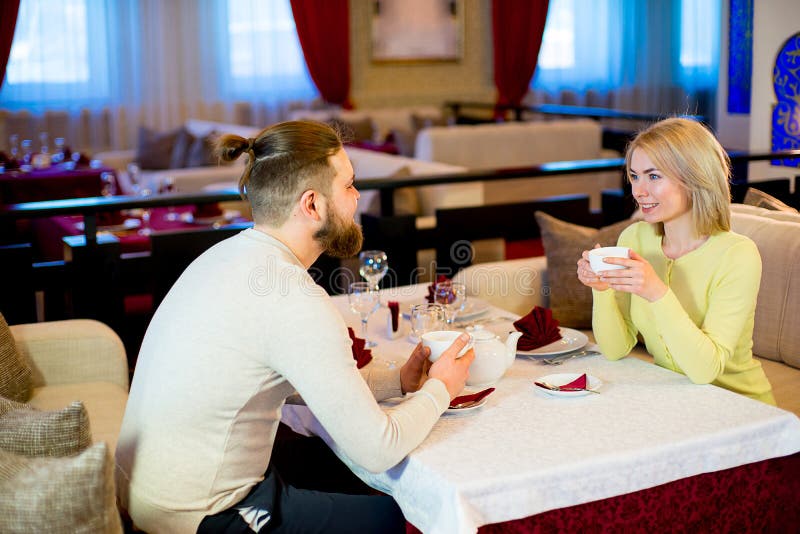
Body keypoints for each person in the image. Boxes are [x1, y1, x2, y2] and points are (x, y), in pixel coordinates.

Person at [114, 120, 475, 533]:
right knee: (404, 519)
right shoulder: (293, 299)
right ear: (312, 205)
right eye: (350, 186)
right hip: (195, 519)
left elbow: (307, 382)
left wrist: (401, 381)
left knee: (330, 470)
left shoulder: (224, 256)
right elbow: (380, 450)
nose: (358, 198)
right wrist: (441, 387)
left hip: (144, 495)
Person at [576, 117, 774, 404]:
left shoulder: (737, 254)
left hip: (738, 405)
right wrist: (602, 289)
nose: (638, 191)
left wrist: (656, 291)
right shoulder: (635, 238)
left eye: (654, 176)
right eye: (634, 176)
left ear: (694, 177)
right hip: (674, 398)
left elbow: (706, 370)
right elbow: (615, 349)